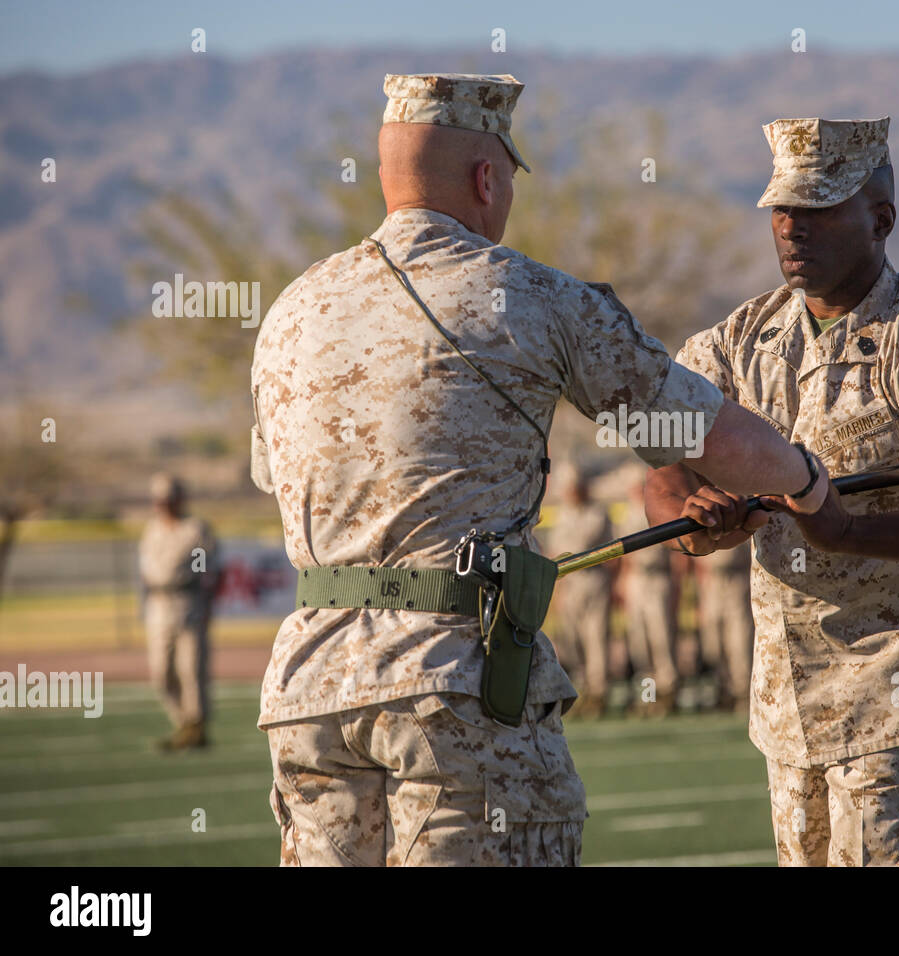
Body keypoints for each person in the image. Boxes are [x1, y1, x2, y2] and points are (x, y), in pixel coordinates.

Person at [249, 73, 829, 866]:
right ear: (488, 179)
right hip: (452, 686)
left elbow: (276, 479)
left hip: (308, 689)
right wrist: (804, 477)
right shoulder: (528, 296)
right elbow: (696, 431)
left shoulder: (291, 311)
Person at [647, 116, 899, 866]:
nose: (791, 227)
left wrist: (845, 530)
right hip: (788, 711)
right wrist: (689, 519)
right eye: (780, 209)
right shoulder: (738, 342)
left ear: (881, 220)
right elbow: (666, 460)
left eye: (819, 209)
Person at [138, 473, 218, 751]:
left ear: (180, 500)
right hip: (158, 605)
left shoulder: (194, 530)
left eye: (169, 499)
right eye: (159, 500)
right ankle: (182, 721)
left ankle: (195, 726)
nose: (163, 505)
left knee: (191, 669)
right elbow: (145, 571)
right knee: (161, 673)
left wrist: (206, 603)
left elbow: (206, 570)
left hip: (187, 601)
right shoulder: (152, 530)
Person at [551, 469, 614, 719]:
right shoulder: (564, 515)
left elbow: (596, 548)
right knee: (572, 638)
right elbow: (555, 552)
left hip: (593, 579)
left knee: (596, 636)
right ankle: (581, 688)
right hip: (570, 583)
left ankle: (599, 692)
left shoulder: (597, 513)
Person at [615, 473, 679, 716]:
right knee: (639, 639)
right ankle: (648, 695)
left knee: (660, 635)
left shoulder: (658, 512)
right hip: (636, 578)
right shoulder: (627, 515)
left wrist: (676, 583)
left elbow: (676, 553)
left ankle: (667, 689)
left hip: (658, 576)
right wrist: (621, 582)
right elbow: (623, 556)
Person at [696, 538, 754, 713]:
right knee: (713, 639)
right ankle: (722, 689)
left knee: (739, 639)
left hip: (737, 577)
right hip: (711, 579)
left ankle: (742, 692)